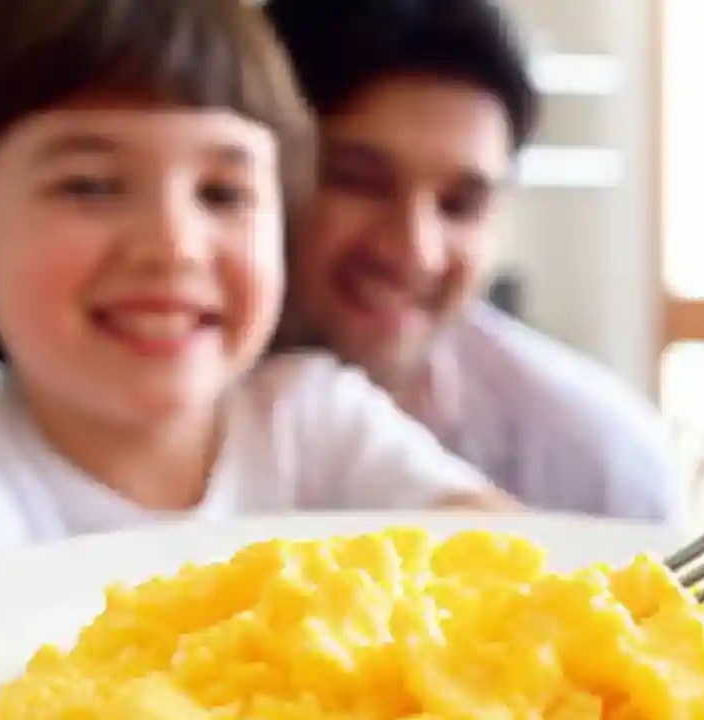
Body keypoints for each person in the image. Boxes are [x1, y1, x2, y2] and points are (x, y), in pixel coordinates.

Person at [0, 0, 510, 567]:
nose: (174, 245)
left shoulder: (316, 421)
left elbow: (509, 560)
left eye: (224, 193)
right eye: (90, 185)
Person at [264, 0, 679, 518]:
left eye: (461, 204)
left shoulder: (596, 463)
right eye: (360, 181)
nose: (414, 249)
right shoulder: (156, 426)